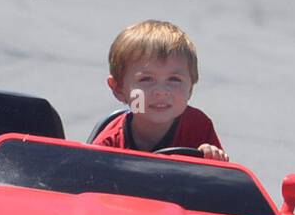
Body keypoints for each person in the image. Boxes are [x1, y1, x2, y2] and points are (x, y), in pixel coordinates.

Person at [91, 19, 229, 160]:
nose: (161, 91)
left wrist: (214, 159)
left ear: (190, 88)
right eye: (146, 79)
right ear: (119, 89)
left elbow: (222, 179)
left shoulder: (198, 127)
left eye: (174, 79)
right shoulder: (107, 145)